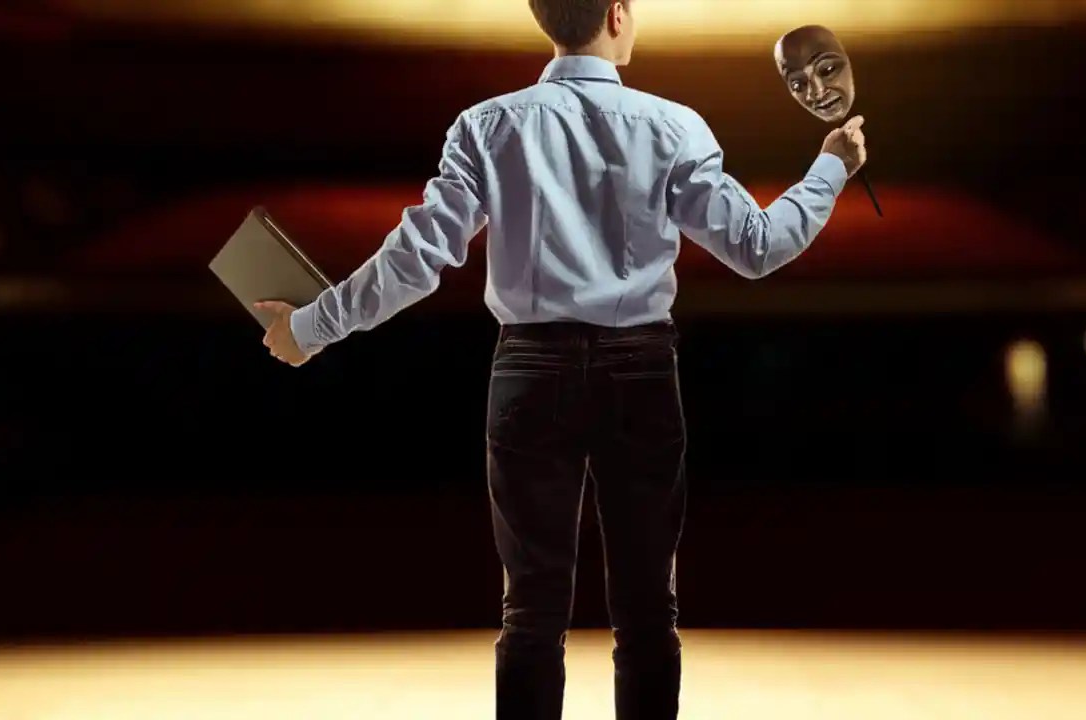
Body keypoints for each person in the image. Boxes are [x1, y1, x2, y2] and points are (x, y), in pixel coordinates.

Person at [257, 1, 867, 717]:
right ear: (617, 13)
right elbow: (758, 247)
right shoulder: (673, 127)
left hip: (528, 371)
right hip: (640, 371)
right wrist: (831, 167)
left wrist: (311, 326)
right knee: (647, 613)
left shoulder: (486, 126)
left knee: (531, 614)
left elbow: (415, 260)